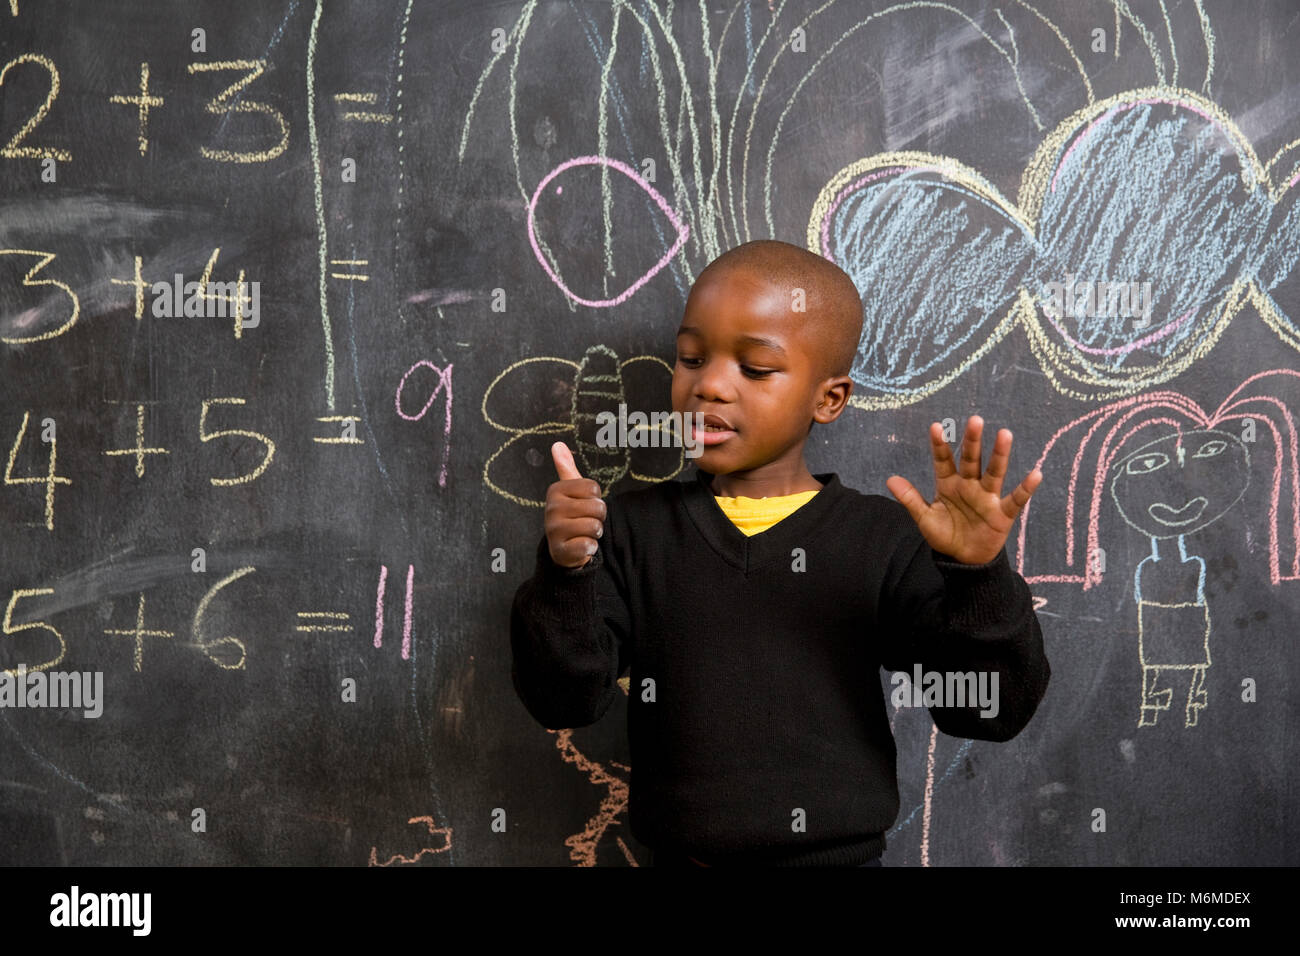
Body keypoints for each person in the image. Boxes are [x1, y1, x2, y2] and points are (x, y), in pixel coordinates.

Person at [510, 239, 1051, 867]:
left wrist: (977, 576)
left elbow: (989, 710)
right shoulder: (629, 531)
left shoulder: (883, 541)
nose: (709, 384)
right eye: (690, 358)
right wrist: (566, 573)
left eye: (755, 369)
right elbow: (563, 701)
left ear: (829, 399)